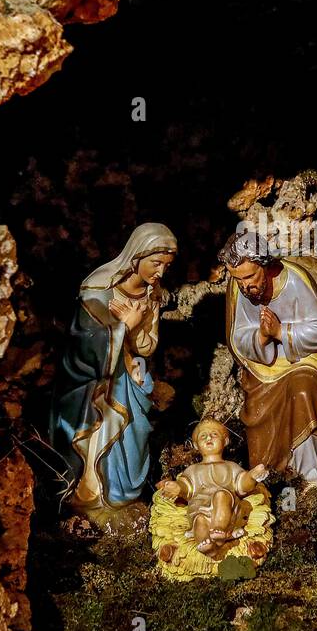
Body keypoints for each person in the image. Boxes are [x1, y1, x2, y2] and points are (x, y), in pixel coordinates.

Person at [49, 222, 177, 526]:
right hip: (90, 382)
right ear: (136, 257)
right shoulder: (98, 289)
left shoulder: (153, 292)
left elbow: (146, 347)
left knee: (137, 428)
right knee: (106, 419)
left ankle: (122, 497)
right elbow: (85, 346)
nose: (160, 272)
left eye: (167, 266)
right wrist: (124, 327)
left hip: (127, 372)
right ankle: (91, 498)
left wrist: (142, 322)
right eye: (155, 263)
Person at [220, 231, 317, 486]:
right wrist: (261, 338)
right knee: (258, 410)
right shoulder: (239, 289)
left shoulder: (294, 280)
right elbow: (237, 336)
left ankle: (313, 476)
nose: (244, 286)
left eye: (249, 276)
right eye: (237, 279)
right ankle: (271, 479)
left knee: (302, 391)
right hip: (263, 367)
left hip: (302, 362)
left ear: (266, 265)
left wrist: (279, 332)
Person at [156, 419, 268, 554]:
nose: (208, 437)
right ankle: (207, 544)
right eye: (203, 436)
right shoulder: (192, 470)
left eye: (214, 434)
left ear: (225, 441)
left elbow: (241, 485)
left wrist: (251, 476)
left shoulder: (231, 467)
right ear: (196, 445)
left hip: (227, 510)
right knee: (199, 521)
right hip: (199, 508)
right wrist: (178, 488)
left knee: (222, 495)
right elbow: (187, 487)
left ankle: (220, 528)